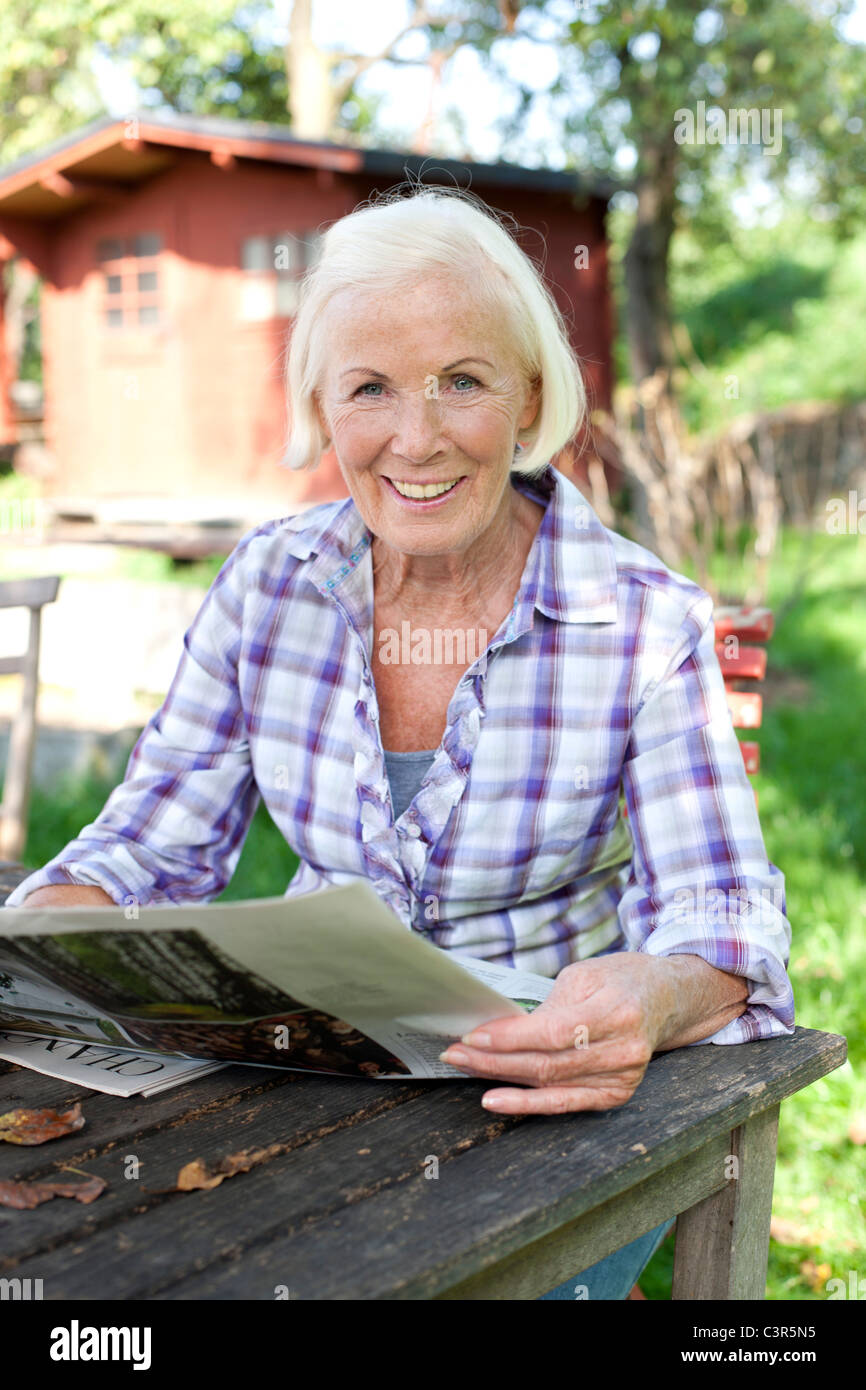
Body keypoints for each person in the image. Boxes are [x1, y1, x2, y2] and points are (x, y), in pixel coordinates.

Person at [3, 184, 794, 1298]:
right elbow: (147, 847)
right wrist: (48, 936)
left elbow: (720, 923)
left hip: (541, 1103)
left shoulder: (641, 620)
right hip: (306, 1074)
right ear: (323, 402)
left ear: (526, 393)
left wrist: (647, 1000)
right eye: (369, 387)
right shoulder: (269, 587)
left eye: (460, 382)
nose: (414, 439)